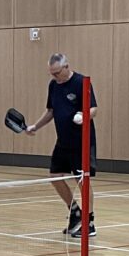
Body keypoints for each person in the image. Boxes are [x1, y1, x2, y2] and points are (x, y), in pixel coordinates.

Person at [25, 53, 98, 239]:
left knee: (83, 181)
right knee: (55, 176)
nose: (55, 76)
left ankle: (89, 223)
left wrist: (83, 116)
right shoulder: (53, 85)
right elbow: (51, 111)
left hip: (81, 141)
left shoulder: (81, 82)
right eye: (52, 73)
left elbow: (93, 109)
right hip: (63, 141)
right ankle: (75, 212)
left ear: (66, 67)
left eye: (57, 72)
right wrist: (36, 126)